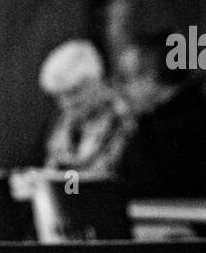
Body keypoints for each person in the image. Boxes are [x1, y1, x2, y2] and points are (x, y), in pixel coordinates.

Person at [117, 33, 206, 197]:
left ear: (151, 76)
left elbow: (140, 186)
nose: (122, 90)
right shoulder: (152, 123)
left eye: (126, 79)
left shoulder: (169, 132)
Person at [39, 39, 131, 176]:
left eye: (74, 92)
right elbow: (58, 174)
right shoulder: (63, 123)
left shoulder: (126, 119)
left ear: (97, 81)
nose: (66, 104)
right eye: (59, 96)